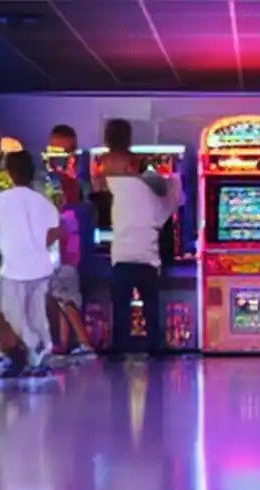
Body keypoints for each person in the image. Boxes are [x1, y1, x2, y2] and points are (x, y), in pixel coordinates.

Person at [97, 118, 183, 357]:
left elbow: (95, 195)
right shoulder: (144, 175)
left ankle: (119, 351)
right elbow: (169, 194)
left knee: (121, 311)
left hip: (122, 254)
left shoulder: (105, 168)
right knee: (151, 310)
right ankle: (156, 349)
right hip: (147, 255)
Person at [0, 150, 62, 377]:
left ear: (9, 172)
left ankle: (6, 358)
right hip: (39, 267)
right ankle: (38, 358)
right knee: (35, 314)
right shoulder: (42, 201)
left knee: (3, 313)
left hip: (12, 267)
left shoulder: (3, 199)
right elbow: (56, 230)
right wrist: (36, 246)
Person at [42, 124, 96, 358]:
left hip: (68, 247)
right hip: (61, 247)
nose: (57, 158)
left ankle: (83, 343)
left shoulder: (76, 182)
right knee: (62, 295)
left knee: (64, 295)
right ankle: (63, 344)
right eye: (53, 151)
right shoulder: (51, 180)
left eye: (62, 152)